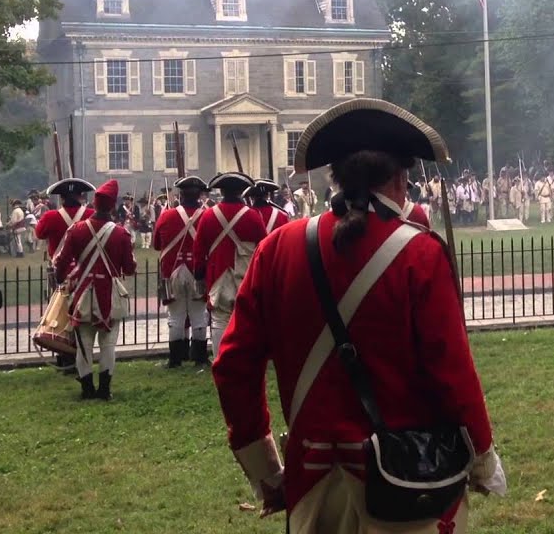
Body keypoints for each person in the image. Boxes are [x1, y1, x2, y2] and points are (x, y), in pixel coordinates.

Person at [211, 98, 506, 532]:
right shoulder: (421, 254)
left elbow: (234, 366)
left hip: (312, 484)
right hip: (405, 484)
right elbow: (452, 373)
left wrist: (267, 471)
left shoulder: (277, 248)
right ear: (400, 179)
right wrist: (481, 459)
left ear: (336, 176)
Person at [53, 180, 137, 400]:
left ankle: (87, 389)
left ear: (94, 204)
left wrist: (61, 281)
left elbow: (62, 262)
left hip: (82, 292)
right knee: (108, 345)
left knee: (84, 344)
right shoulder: (121, 234)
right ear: (112, 206)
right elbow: (129, 268)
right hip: (109, 292)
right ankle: (105, 389)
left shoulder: (76, 230)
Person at [193, 172, 267, 351]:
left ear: (222, 191)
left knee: (219, 320)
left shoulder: (208, 216)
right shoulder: (253, 216)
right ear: (241, 191)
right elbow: (263, 248)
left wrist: (199, 275)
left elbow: (199, 250)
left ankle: (221, 359)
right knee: (246, 318)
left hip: (217, 275)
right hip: (246, 275)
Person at [34, 177, 96, 373]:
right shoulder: (91, 214)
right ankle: (80, 357)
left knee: (59, 315)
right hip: (84, 272)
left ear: (61, 198)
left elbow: (39, 234)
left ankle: (64, 358)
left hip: (60, 272)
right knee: (82, 315)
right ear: (80, 196)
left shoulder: (51, 216)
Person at [153, 176, 209, 368]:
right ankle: (200, 358)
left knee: (175, 316)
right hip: (197, 270)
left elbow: (156, 245)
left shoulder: (166, 216)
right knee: (199, 315)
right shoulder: (207, 215)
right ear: (199, 195)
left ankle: (175, 359)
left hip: (172, 270)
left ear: (181, 194)